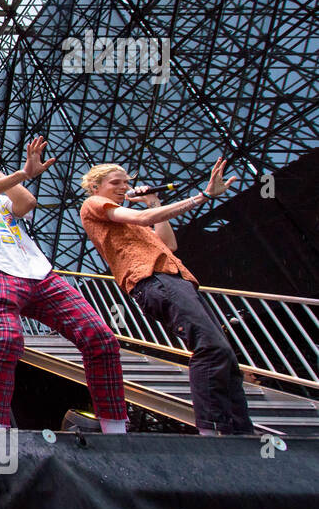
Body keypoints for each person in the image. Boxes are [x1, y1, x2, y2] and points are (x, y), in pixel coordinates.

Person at [0, 138, 128, 433]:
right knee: (6, 341)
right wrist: (21, 173)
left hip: (38, 274)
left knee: (101, 338)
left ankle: (116, 430)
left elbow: (26, 203)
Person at [79, 157, 252, 435]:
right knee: (210, 348)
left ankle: (241, 432)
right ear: (96, 186)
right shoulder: (94, 204)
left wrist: (154, 203)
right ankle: (215, 431)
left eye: (126, 182)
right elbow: (143, 218)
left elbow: (168, 244)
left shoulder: (130, 223)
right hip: (153, 279)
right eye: (116, 183)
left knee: (227, 357)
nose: (124, 187)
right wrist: (203, 197)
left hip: (175, 278)